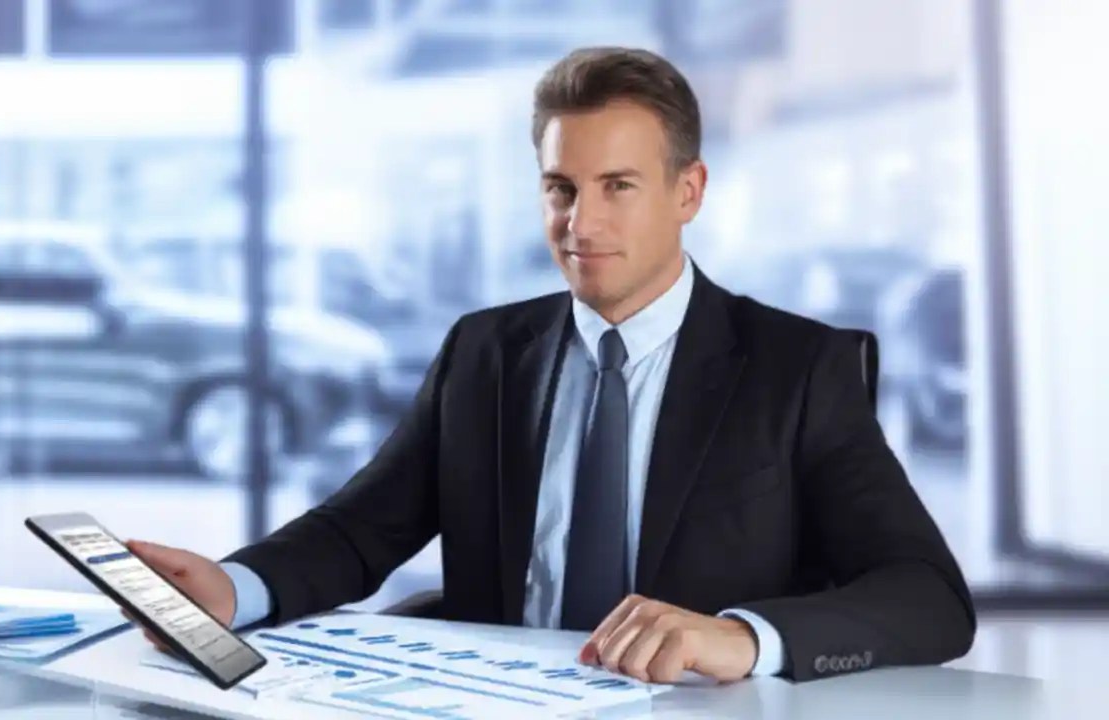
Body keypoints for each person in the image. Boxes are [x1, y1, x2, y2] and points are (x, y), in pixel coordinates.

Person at [126, 47, 975, 684]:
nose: (580, 222)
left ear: (689, 192)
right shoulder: (486, 352)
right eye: (560, 187)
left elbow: (929, 596)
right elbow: (363, 527)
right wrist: (233, 589)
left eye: (618, 186)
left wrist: (746, 638)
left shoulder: (796, 369)